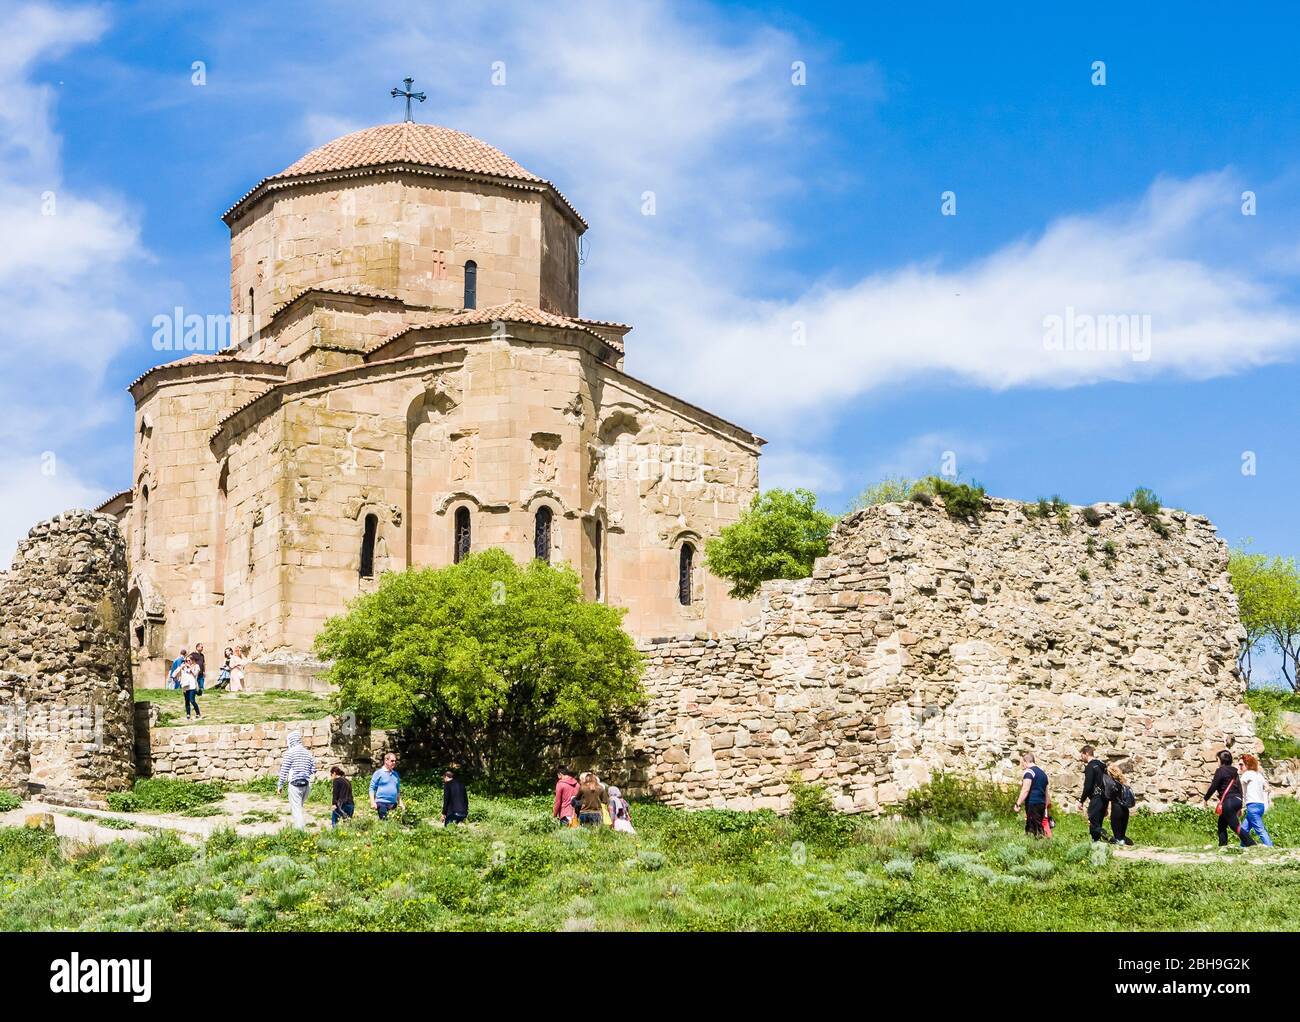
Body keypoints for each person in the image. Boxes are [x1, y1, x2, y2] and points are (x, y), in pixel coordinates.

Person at [1203, 750, 1253, 848]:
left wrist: (1205, 799)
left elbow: (1214, 786)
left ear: (1221, 760)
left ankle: (1252, 845)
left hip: (1228, 802)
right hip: (1237, 800)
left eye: (1217, 759)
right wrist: (1240, 805)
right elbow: (1239, 787)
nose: (1217, 761)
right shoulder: (1235, 771)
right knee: (1221, 825)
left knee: (1236, 827)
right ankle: (1223, 846)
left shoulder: (1220, 770)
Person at [275, 731, 317, 830]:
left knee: (296, 809)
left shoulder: (290, 753)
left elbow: (284, 771)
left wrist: (280, 786)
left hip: (295, 785)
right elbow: (313, 770)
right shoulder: (308, 753)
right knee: (299, 807)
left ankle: (299, 832)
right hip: (306, 785)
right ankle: (298, 829)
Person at [1237, 753, 1274, 848]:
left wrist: (1241, 803)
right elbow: (1267, 787)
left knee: (1260, 829)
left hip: (1252, 805)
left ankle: (1270, 847)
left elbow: (1240, 788)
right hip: (1260, 805)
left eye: (1241, 764)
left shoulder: (1247, 774)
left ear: (1248, 764)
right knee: (1244, 829)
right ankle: (1242, 847)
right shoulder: (1258, 775)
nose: (1239, 767)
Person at [1078, 745, 1111, 843]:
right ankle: (1097, 844)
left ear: (1086, 753)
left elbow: (1088, 786)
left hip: (1096, 797)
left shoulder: (1090, 766)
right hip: (1104, 797)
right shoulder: (1102, 765)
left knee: (1093, 823)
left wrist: (1081, 801)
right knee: (1098, 822)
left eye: (1082, 755)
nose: (1081, 758)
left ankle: (1106, 837)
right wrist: (1107, 804)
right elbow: (1107, 783)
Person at [1014, 752, 1050, 838]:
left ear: (1026, 762)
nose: (1022, 766)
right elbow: (1046, 793)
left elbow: (1025, 789)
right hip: (1041, 804)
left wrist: (1018, 803)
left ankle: (1037, 847)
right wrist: (1046, 807)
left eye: (1022, 763)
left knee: (1033, 829)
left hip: (1032, 803)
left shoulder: (1029, 772)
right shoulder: (1043, 774)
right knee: (1038, 825)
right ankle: (1039, 845)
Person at [1102, 763, 1134, 845]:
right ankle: (1123, 842)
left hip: (1117, 809)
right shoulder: (1123, 783)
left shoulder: (1112, 784)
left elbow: (1108, 796)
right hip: (1125, 809)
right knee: (1122, 834)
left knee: (1117, 835)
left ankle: (1120, 846)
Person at [369, 752, 403, 820]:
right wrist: (372, 802)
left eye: (395, 761)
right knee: (384, 821)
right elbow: (371, 788)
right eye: (392, 761)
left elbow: (397, 790)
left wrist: (400, 803)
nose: (394, 763)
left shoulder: (395, 774)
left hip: (393, 804)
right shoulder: (378, 773)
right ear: (386, 760)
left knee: (395, 823)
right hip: (381, 803)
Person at [178, 655, 202, 720]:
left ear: (193, 660)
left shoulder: (196, 666)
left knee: (192, 700)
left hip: (192, 685)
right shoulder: (184, 667)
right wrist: (182, 668)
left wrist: (190, 668)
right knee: (187, 700)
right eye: (186, 661)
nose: (188, 662)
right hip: (186, 686)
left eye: (189, 660)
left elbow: (195, 674)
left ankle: (198, 713)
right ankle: (188, 714)